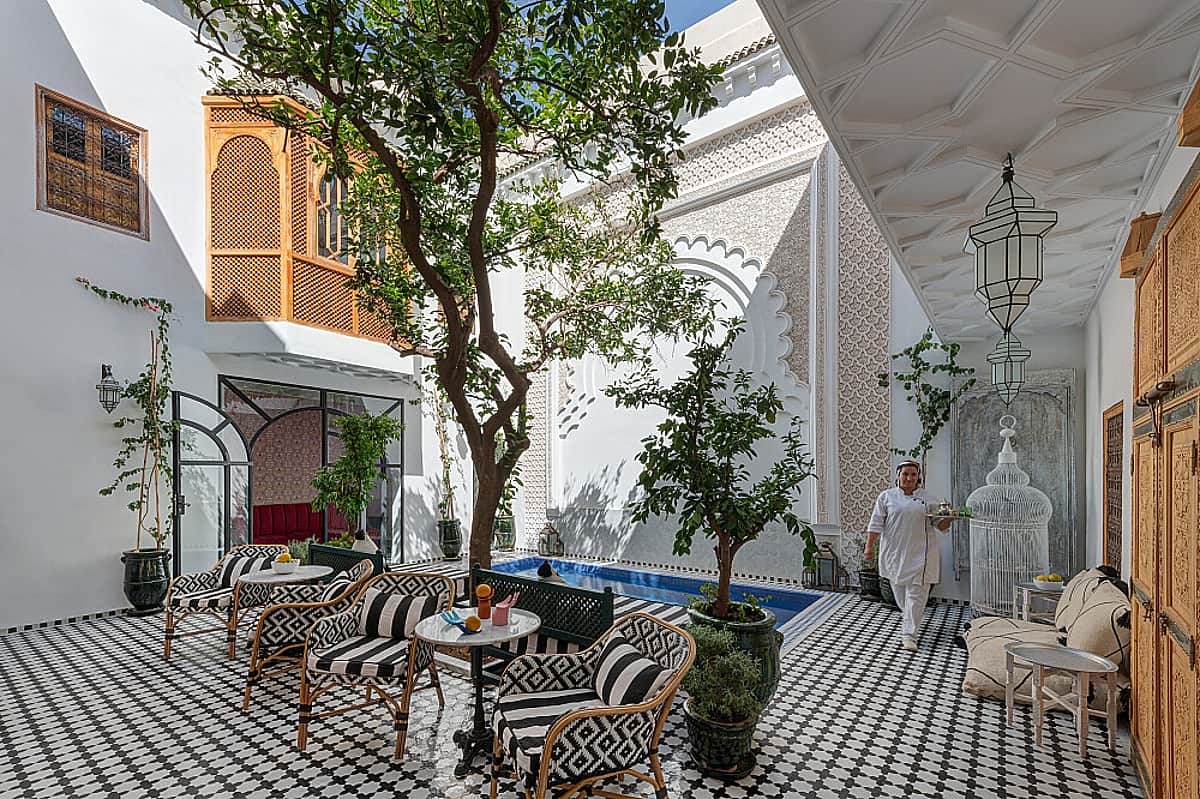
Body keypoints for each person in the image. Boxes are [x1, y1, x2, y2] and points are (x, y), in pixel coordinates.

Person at [864, 459, 953, 651]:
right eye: (905, 474)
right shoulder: (886, 497)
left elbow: (941, 526)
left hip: (921, 554)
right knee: (900, 595)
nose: (909, 478)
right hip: (894, 554)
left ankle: (909, 635)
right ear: (898, 475)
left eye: (913, 474)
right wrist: (869, 547)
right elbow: (875, 523)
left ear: (918, 477)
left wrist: (950, 517)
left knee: (916, 594)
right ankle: (911, 620)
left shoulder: (929, 498)